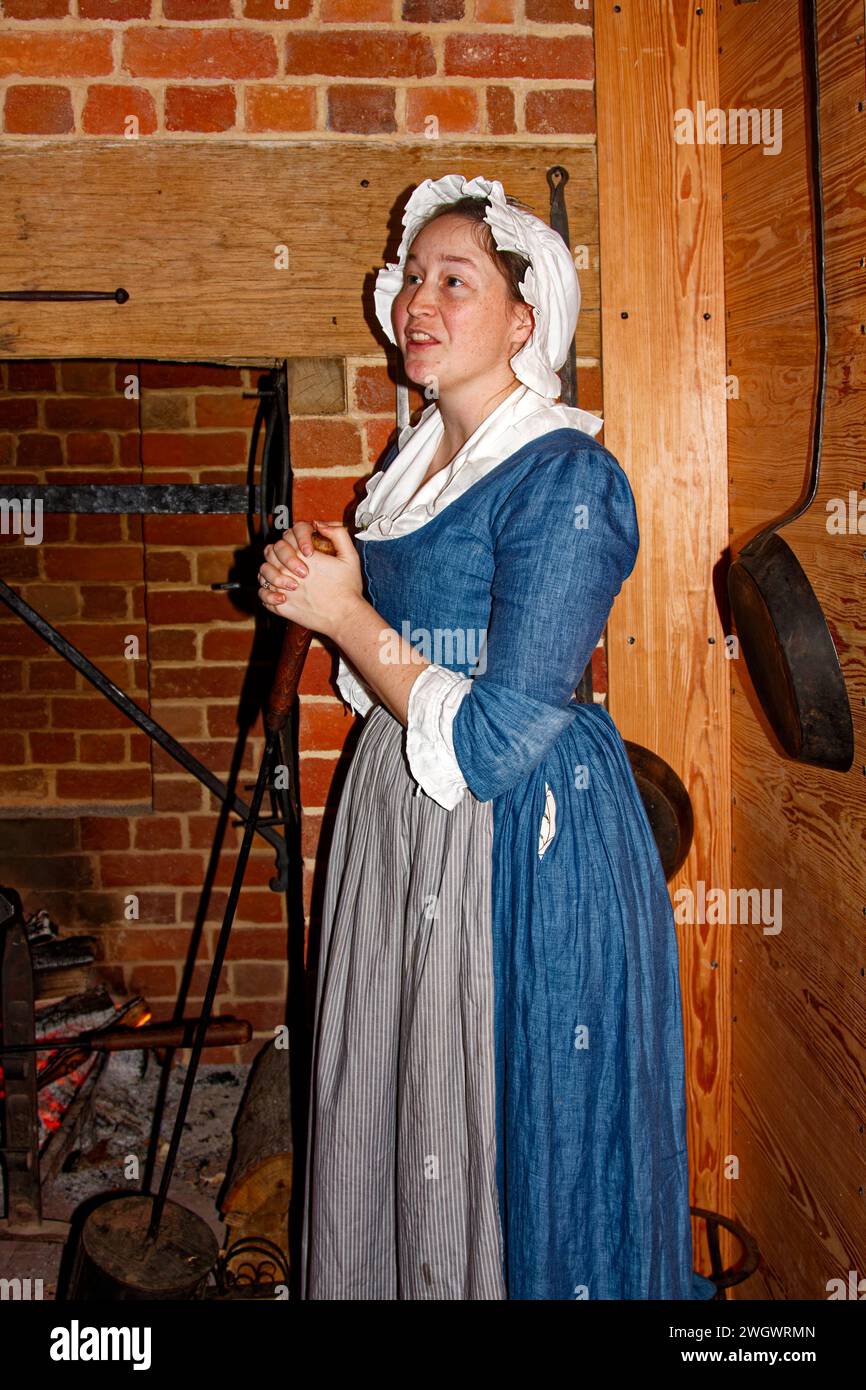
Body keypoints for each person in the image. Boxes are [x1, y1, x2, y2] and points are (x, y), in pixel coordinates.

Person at [258, 174, 716, 1302]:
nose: (418, 298)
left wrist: (348, 615)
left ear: (524, 319)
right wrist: (347, 583)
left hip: (516, 838)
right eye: (411, 276)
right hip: (400, 822)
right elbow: (393, 670)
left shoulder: (568, 478)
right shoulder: (409, 475)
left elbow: (501, 737)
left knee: (487, 1112)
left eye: (453, 279)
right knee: (399, 1085)